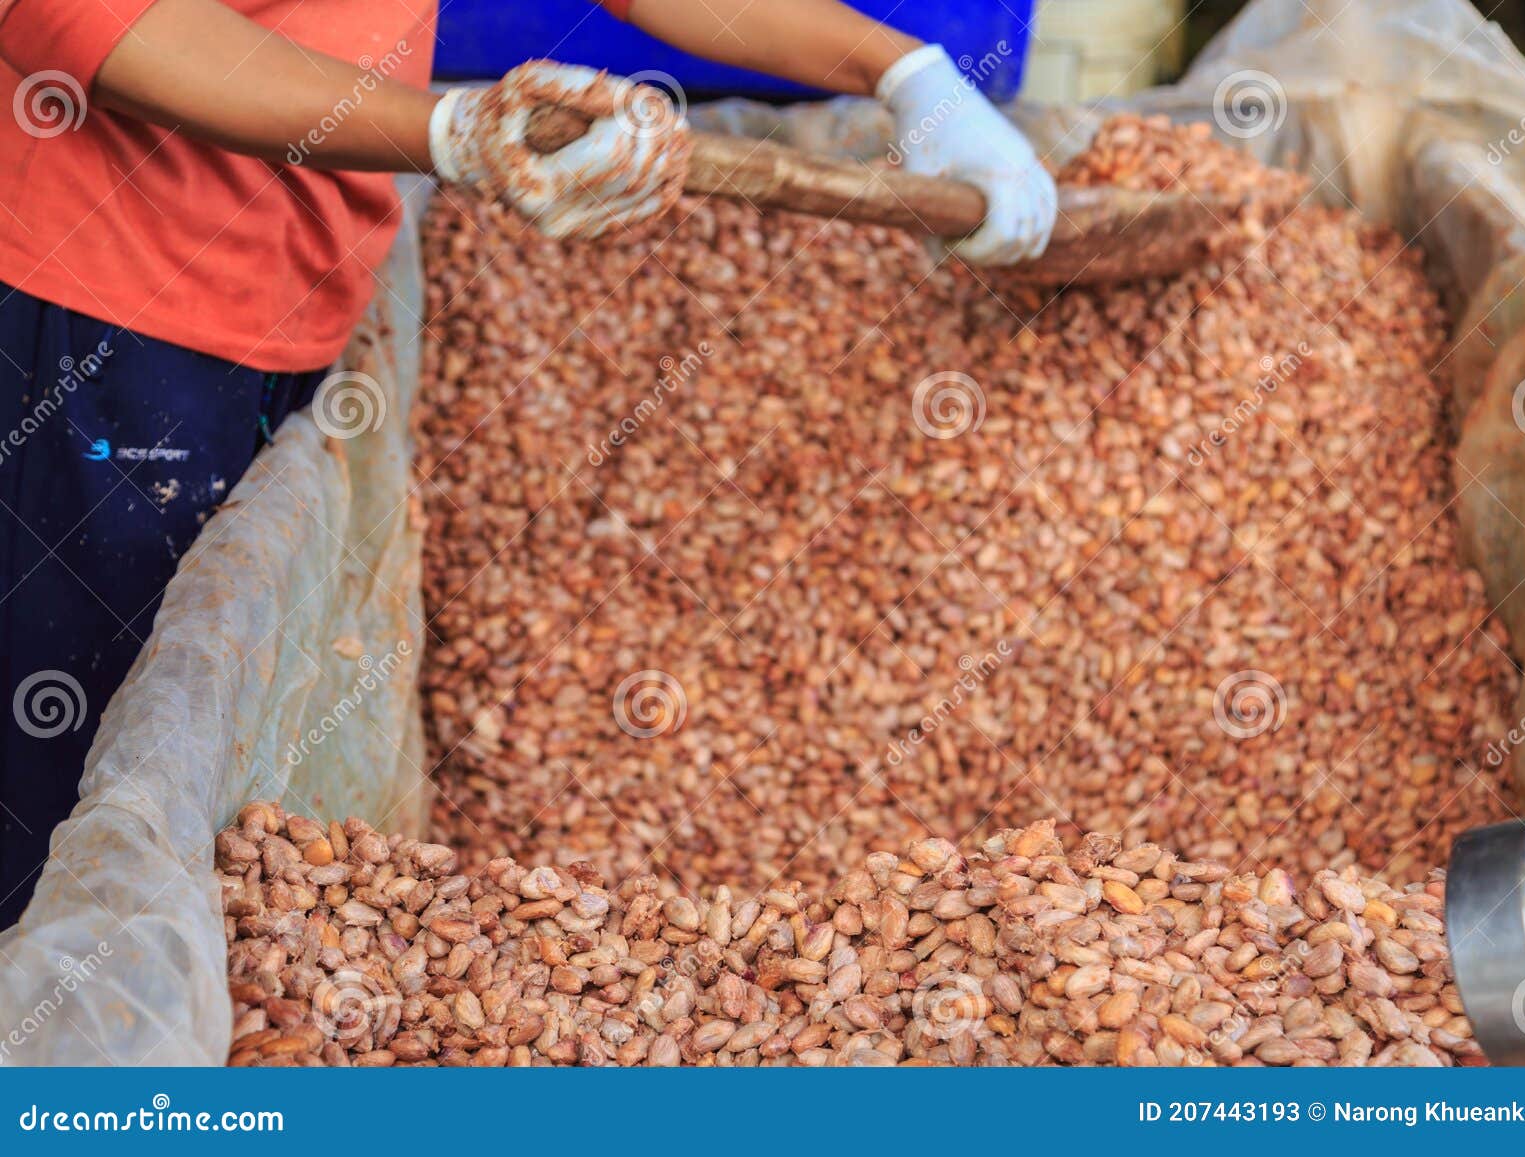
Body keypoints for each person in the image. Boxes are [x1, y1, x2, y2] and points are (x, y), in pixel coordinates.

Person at [0, 0, 1057, 927]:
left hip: (283, 291)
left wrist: (903, 74)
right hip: (92, 293)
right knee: (64, 792)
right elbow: (89, 15)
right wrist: (446, 130)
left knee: (172, 732)